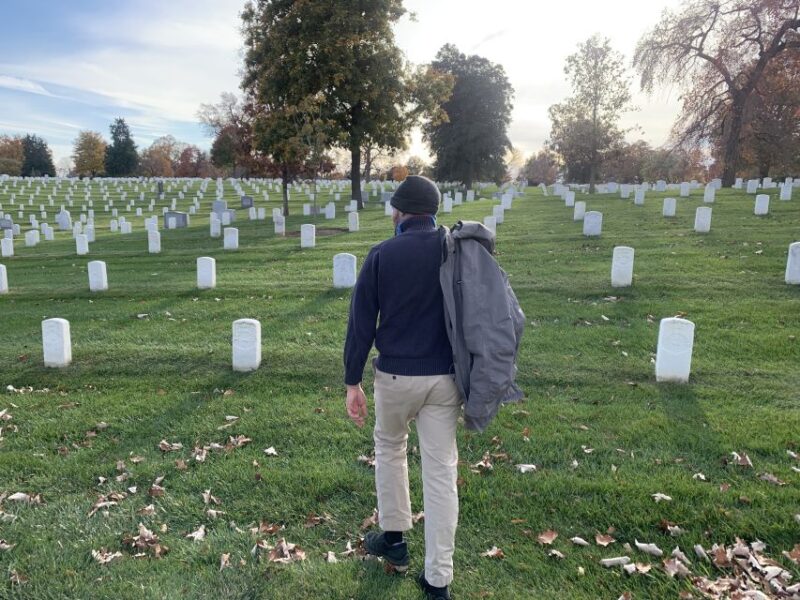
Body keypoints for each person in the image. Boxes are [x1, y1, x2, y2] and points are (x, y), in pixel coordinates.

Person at [344, 175, 458, 600]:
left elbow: (360, 325)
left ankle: (394, 539)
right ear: (432, 211)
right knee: (441, 473)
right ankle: (438, 581)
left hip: (394, 377)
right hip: (445, 378)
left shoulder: (382, 254)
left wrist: (351, 380)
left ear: (400, 211)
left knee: (390, 448)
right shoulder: (454, 250)